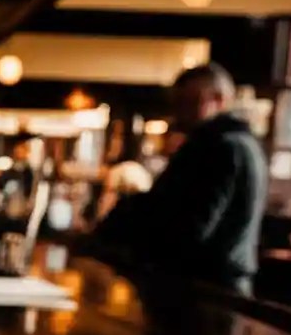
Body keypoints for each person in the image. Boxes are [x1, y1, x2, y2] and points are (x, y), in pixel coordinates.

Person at [98, 63, 268, 295]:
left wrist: (129, 221)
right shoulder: (240, 144)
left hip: (206, 290)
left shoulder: (218, 147)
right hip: (223, 286)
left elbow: (189, 226)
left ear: (220, 99)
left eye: (190, 102)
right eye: (178, 103)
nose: (180, 112)